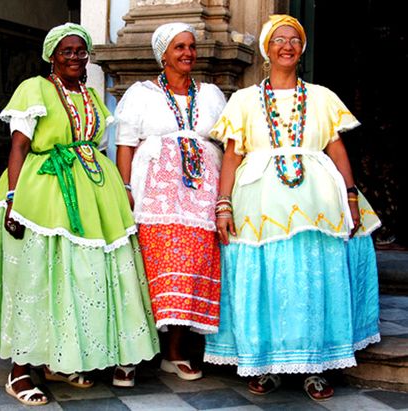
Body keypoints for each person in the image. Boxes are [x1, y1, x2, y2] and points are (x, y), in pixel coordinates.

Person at [0, 23, 159, 406]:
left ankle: (59, 360)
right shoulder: (35, 89)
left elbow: (95, 143)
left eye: (81, 51)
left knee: (78, 278)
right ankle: (19, 371)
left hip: (93, 194)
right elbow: (19, 146)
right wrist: (14, 198)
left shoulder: (90, 94)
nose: (76, 57)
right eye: (67, 51)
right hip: (43, 192)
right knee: (36, 278)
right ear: (52, 56)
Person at [204, 15, 381, 401]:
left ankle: (314, 366)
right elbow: (232, 157)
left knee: (312, 277)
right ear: (267, 50)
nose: (287, 46)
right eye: (279, 39)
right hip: (259, 203)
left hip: (318, 200)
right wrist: (223, 205)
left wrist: (351, 197)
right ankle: (265, 365)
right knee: (269, 278)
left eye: (295, 40)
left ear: (301, 49)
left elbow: (336, 148)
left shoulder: (321, 96)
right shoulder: (244, 99)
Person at [115, 22, 226, 380]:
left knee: (191, 268)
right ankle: (130, 353)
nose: (188, 53)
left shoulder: (209, 94)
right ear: (163, 54)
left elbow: (227, 144)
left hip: (200, 198)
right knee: (149, 268)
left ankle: (174, 352)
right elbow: (125, 144)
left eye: (191, 46)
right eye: (179, 47)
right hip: (155, 196)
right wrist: (125, 191)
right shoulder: (142, 92)